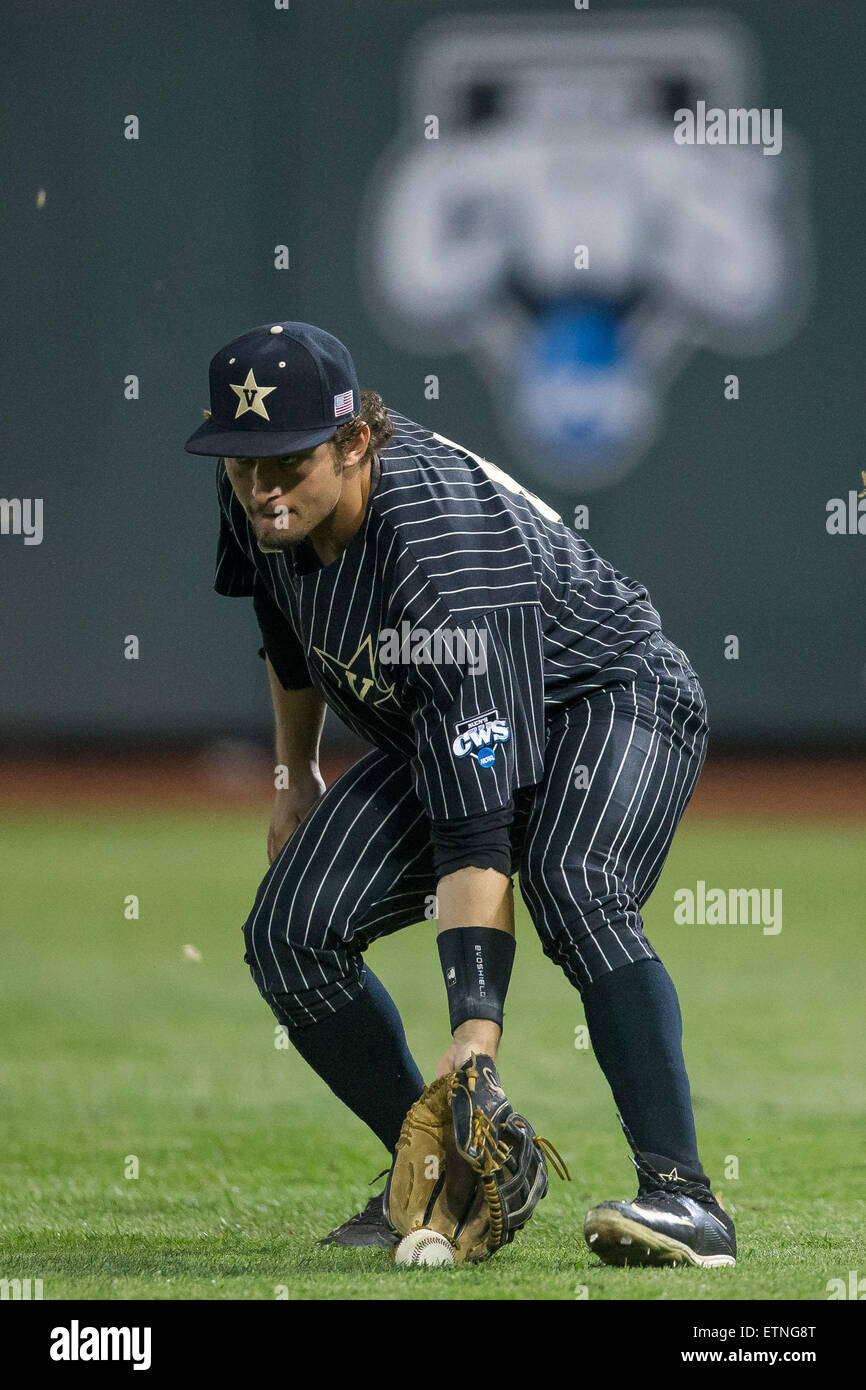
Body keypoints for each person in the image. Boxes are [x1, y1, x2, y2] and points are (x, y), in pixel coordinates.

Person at [184, 320, 735, 1268]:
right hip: (440, 716)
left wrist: (475, 1032)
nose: (263, 487)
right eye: (243, 465)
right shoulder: (263, 496)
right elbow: (283, 623)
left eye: (287, 461)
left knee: (573, 882)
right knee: (290, 935)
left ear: (357, 441)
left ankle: (686, 1200)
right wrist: (295, 773)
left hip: (605, 694)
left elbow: (476, 841)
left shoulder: (444, 563)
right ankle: (436, 1174)